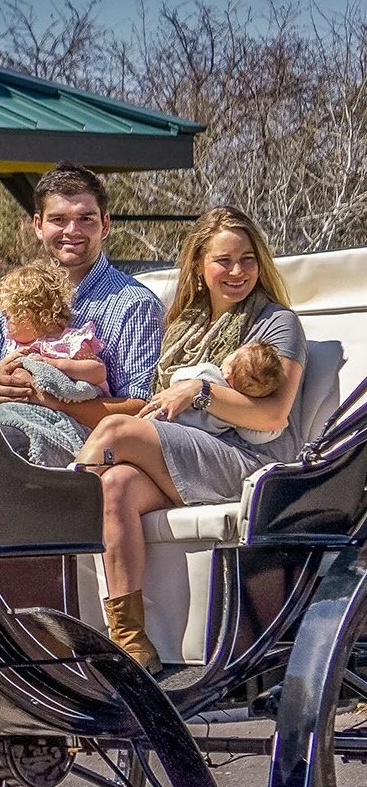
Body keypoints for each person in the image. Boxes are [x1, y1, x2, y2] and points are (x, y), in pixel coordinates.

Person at [73, 207, 305, 669]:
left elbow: (272, 413)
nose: (237, 271)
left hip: (248, 459)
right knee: (114, 486)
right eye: (224, 260)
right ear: (200, 266)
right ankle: (130, 640)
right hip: (184, 451)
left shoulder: (277, 323)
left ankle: (53, 522)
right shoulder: (182, 327)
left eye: (247, 259)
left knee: (118, 432)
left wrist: (199, 392)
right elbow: (157, 405)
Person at [0, 164, 164, 461]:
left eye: (86, 219)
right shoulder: (11, 300)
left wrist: (50, 400)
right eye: (58, 219)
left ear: (106, 223)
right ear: (39, 225)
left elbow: (142, 407)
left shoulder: (135, 304)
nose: (72, 231)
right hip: (0, 434)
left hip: (86, 454)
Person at [0, 262, 109, 465]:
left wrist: (55, 364)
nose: (5, 325)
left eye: (10, 318)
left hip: (64, 420)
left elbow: (97, 372)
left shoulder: (69, 343)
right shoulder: (14, 347)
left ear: (35, 315)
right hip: (15, 414)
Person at [168, 340, 286, 443]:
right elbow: (256, 437)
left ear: (229, 373)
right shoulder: (239, 414)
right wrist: (281, 427)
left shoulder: (207, 373)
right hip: (191, 437)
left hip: (171, 417)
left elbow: (176, 379)